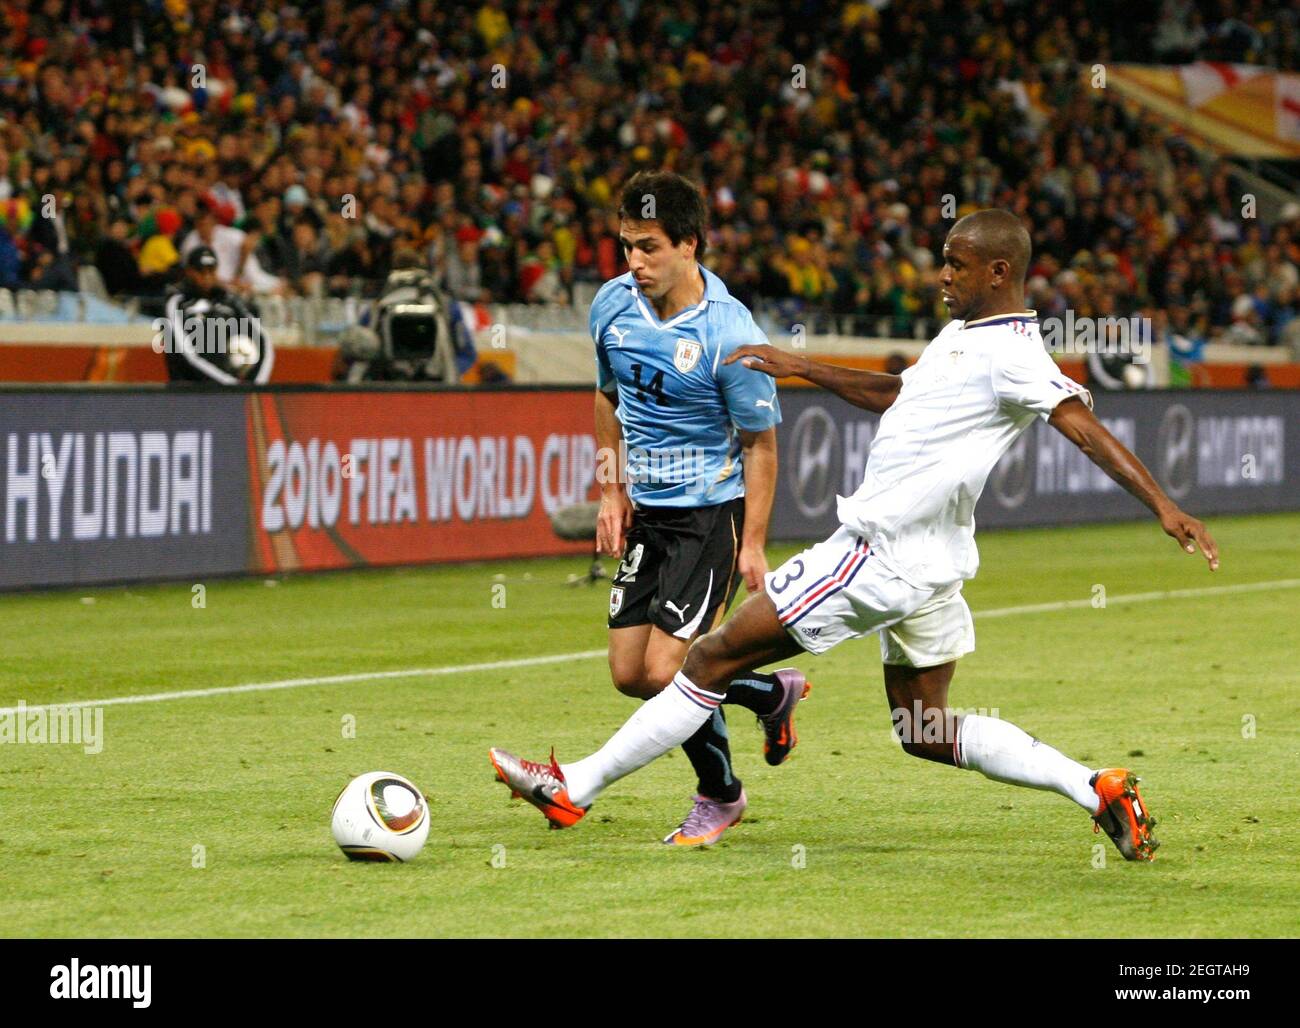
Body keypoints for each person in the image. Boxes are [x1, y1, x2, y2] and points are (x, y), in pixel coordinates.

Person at [490, 209, 1221, 862]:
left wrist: (1163, 504)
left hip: (879, 553)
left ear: (1000, 272)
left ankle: (575, 787)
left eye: (956, 264)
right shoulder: (964, 337)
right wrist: (800, 365)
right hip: (931, 566)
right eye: (943, 258)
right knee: (923, 728)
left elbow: (1081, 427)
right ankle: (1099, 789)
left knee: (711, 656)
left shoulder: (1016, 355)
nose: (942, 274)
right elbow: (893, 393)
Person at [492, 170, 806, 848]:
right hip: (650, 514)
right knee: (630, 674)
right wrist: (612, 489)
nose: (634, 262)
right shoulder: (611, 306)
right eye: (627, 246)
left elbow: (761, 444)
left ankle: (720, 796)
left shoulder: (730, 333)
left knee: (670, 670)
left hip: (708, 515)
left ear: (691, 244)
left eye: (651, 247)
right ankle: (766, 694)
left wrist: (751, 542)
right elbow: (607, 397)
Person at [162, 246, 274, 384]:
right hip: (189, 394)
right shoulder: (176, 302)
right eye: (201, 271)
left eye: (211, 270)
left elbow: (262, 338)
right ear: (189, 272)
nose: (207, 276)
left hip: (228, 394)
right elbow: (185, 353)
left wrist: (256, 384)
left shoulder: (230, 301)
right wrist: (227, 384)